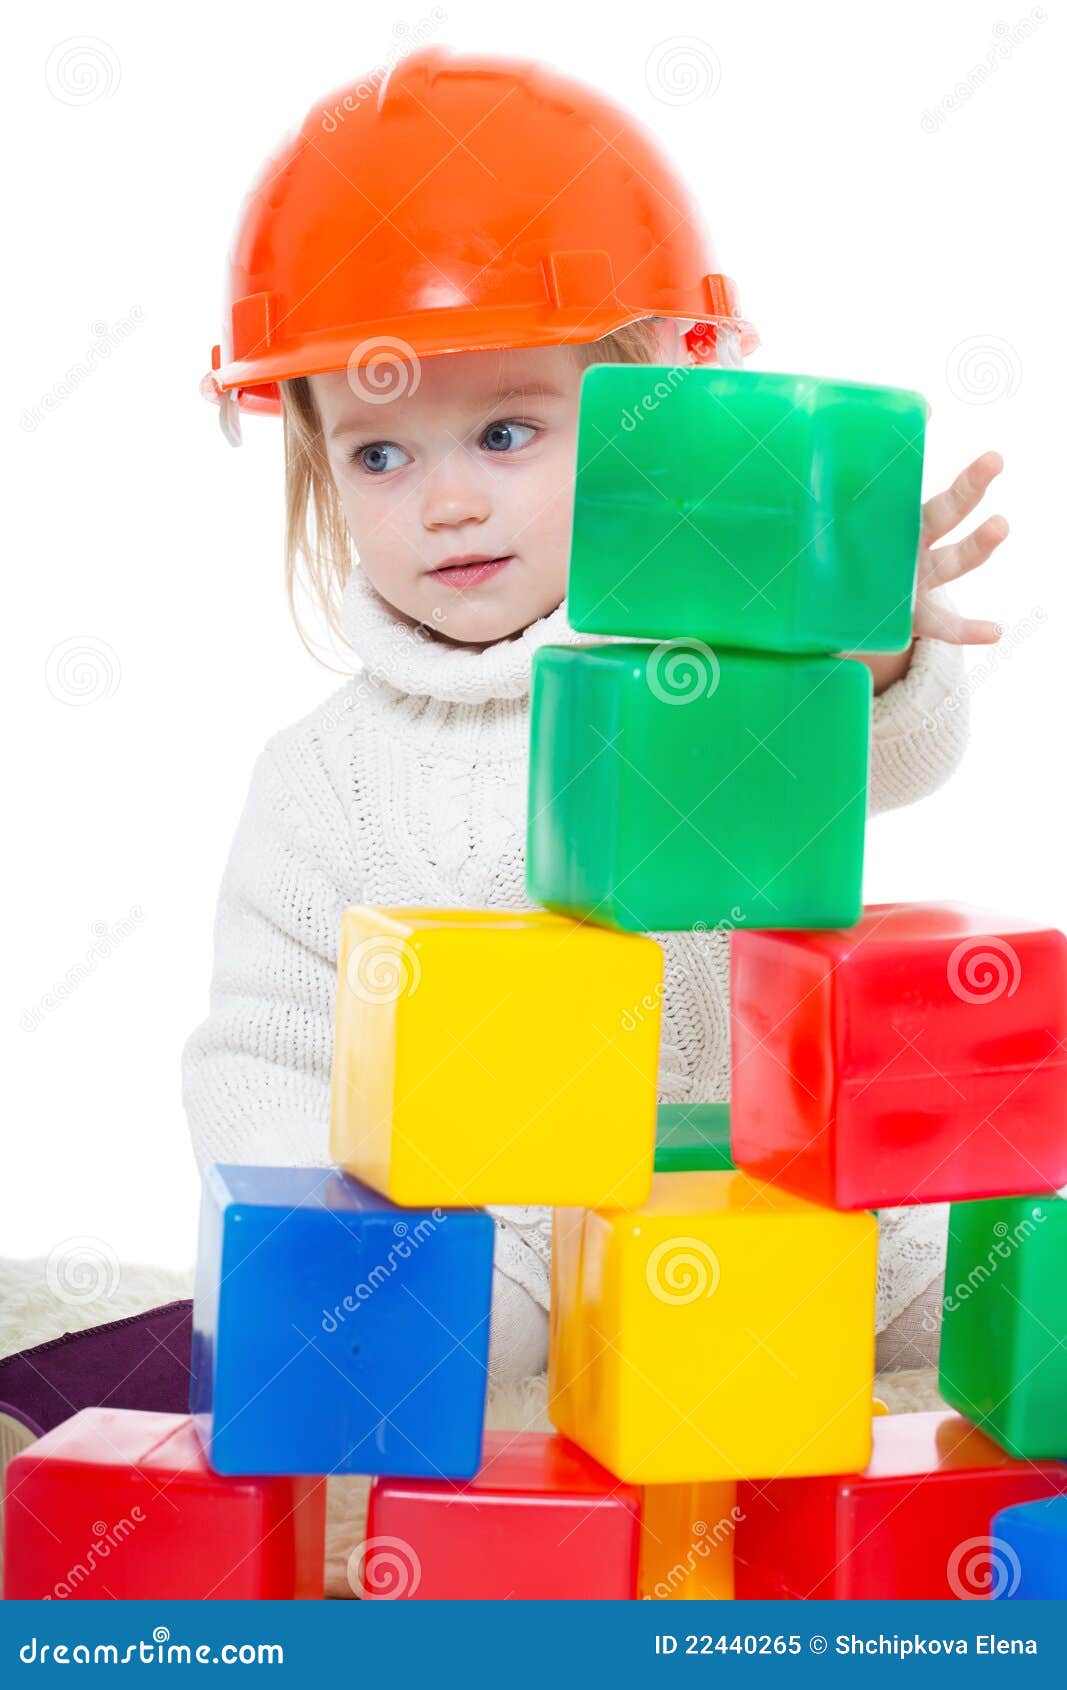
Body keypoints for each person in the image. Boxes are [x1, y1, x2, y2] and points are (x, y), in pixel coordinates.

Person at [182, 47, 1007, 1385]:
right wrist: (306, 1265)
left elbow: (896, 764)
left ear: (647, 422)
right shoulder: (322, 775)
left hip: (776, 1171)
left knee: (984, 1294)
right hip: (495, 1218)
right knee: (424, 1352)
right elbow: (264, 1045)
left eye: (507, 433)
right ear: (317, 468)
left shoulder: (707, 654)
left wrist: (865, 641)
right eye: (380, 453)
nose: (447, 501)